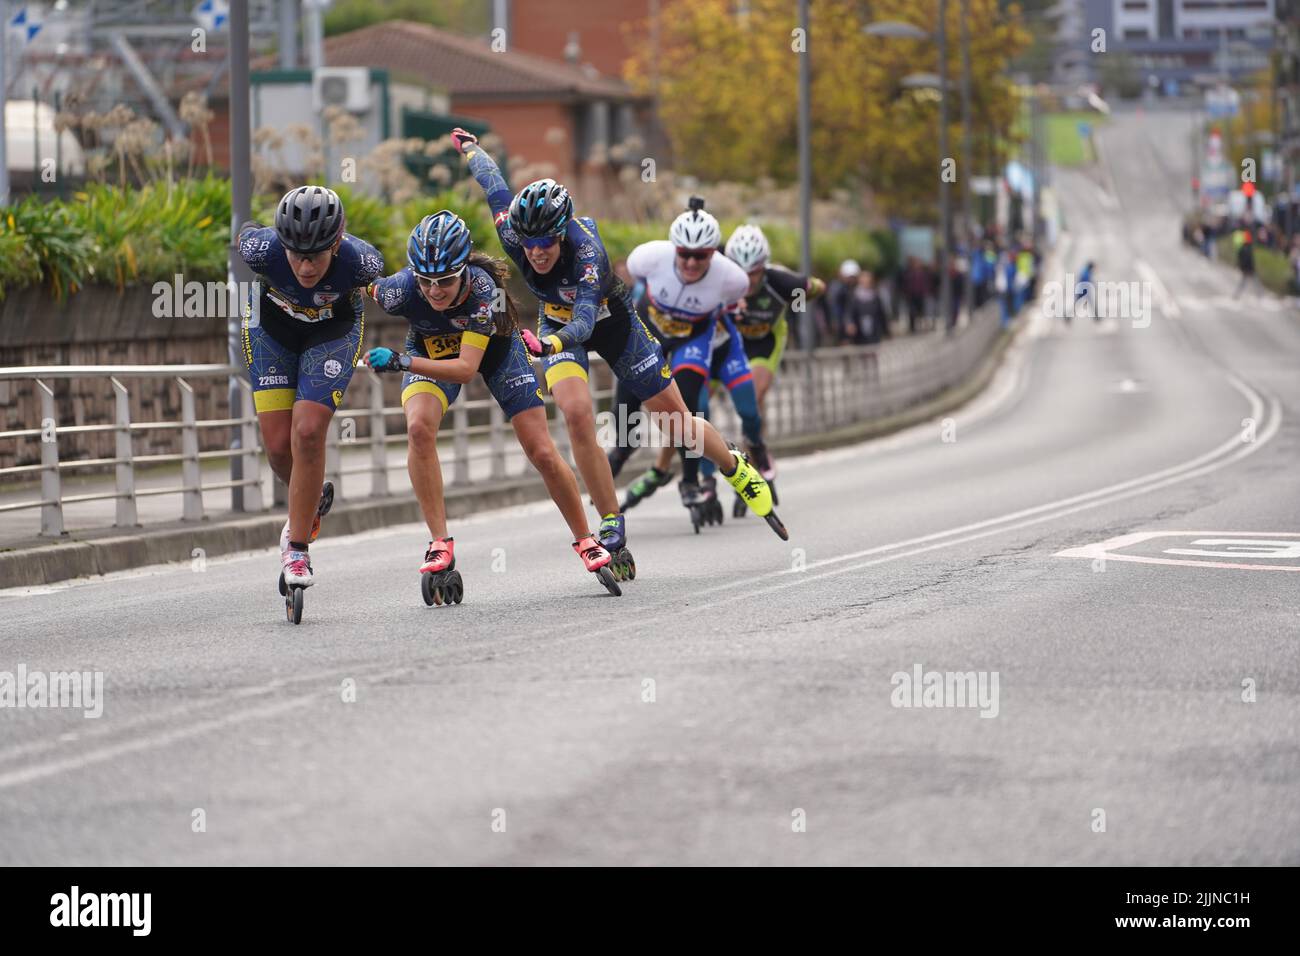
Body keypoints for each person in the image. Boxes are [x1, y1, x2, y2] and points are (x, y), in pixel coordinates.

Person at [454, 128, 786, 540]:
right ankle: (611, 519)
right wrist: (472, 149)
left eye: (545, 242)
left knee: (677, 424)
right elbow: (494, 185)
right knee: (576, 415)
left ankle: (736, 468)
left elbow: (586, 320)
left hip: (608, 322)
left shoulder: (588, 253)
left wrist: (551, 344)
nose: (536, 252)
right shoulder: (513, 232)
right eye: (529, 243)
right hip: (557, 321)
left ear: (561, 233)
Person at [364, 210, 624, 598]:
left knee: (541, 450)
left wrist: (401, 362)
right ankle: (440, 543)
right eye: (426, 281)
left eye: (446, 282)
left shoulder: (484, 292)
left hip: (496, 353)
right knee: (418, 429)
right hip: (433, 349)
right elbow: (356, 284)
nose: (435, 291)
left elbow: (466, 369)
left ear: (464, 271)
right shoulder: (399, 290)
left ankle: (585, 538)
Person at [238, 185, 383, 595]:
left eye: (316, 256)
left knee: (307, 430)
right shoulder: (260, 249)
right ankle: (313, 495)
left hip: (331, 333)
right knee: (279, 448)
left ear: (336, 244)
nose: (304, 267)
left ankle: (296, 547)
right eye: (295, 254)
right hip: (272, 331)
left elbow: (396, 290)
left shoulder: (362, 263)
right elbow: (244, 231)